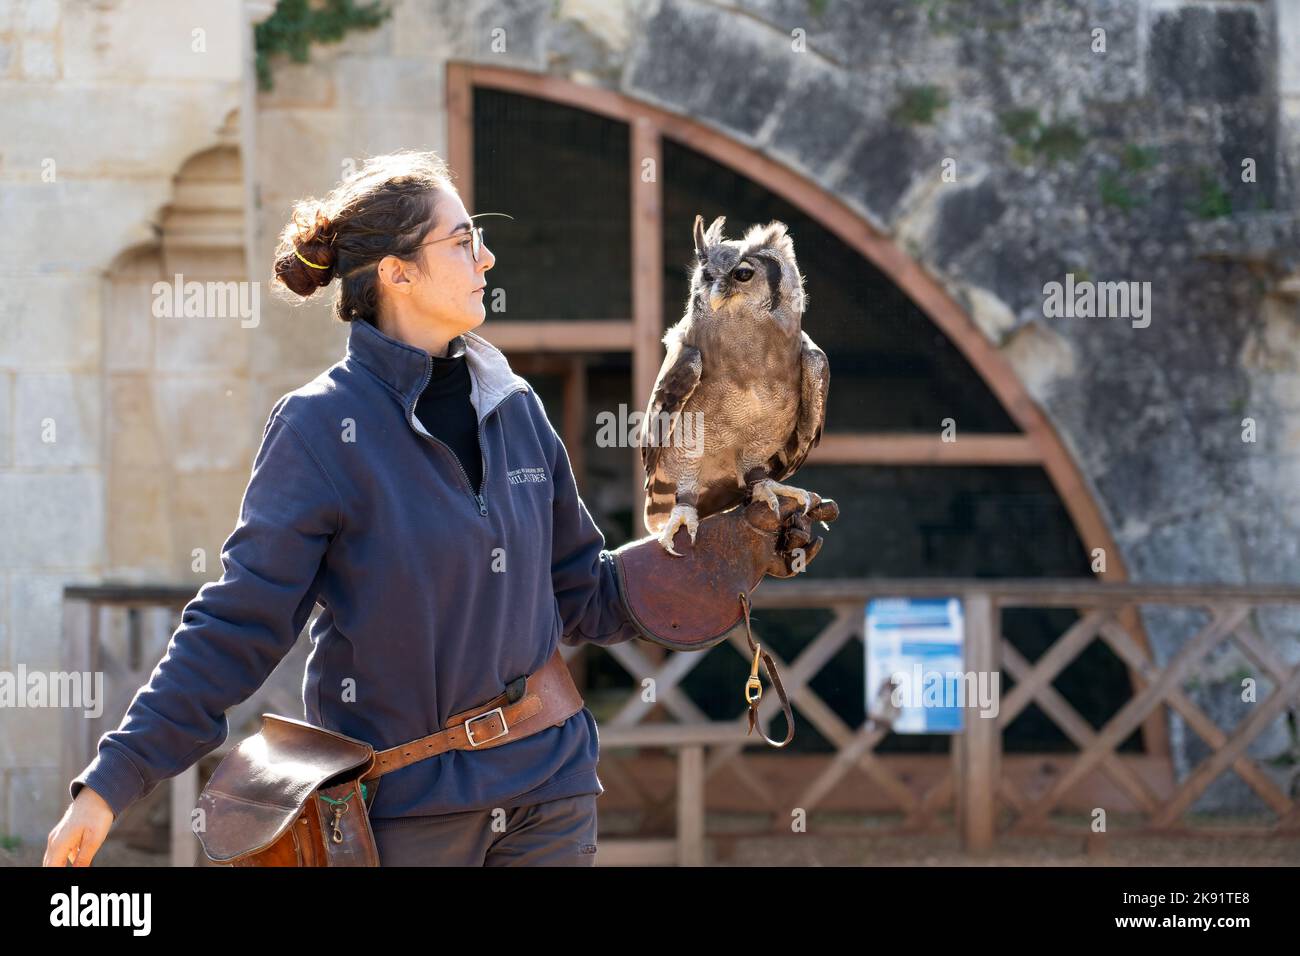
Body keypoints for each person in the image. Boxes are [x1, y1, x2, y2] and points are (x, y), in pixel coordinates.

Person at [45, 149, 831, 868]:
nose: (486, 256)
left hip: (551, 792)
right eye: (463, 242)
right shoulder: (321, 429)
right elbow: (238, 623)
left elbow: (579, 593)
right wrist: (113, 779)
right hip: (406, 815)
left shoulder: (515, 407)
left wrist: (724, 551)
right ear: (397, 273)